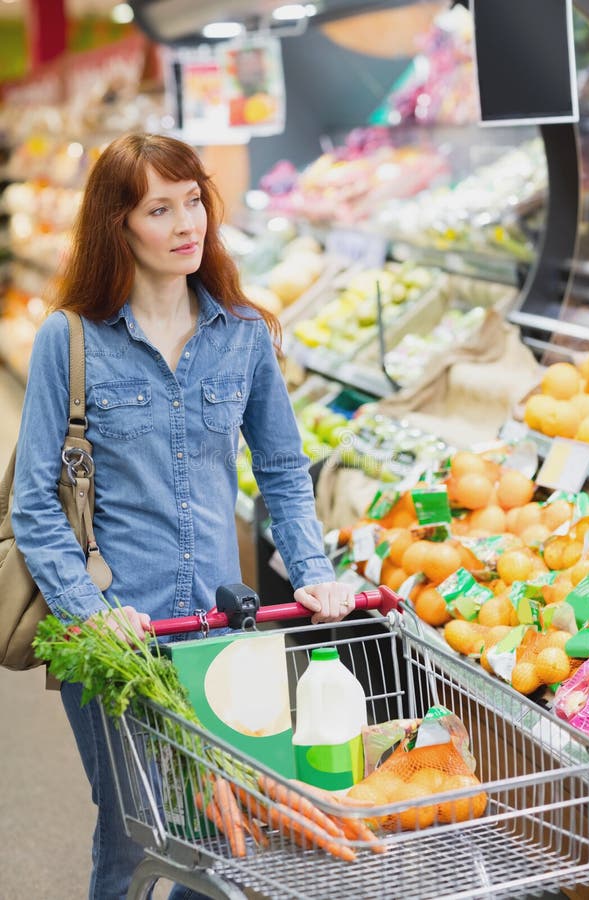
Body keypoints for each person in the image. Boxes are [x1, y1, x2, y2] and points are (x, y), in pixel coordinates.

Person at [12, 132, 356, 900]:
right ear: (118, 226)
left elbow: (282, 472)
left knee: (226, 826)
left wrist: (315, 573)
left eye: (193, 200)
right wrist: (91, 615)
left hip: (219, 636)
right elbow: (34, 504)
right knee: (135, 827)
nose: (185, 223)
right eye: (158, 208)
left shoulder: (242, 335)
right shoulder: (69, 341)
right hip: (116, 639)